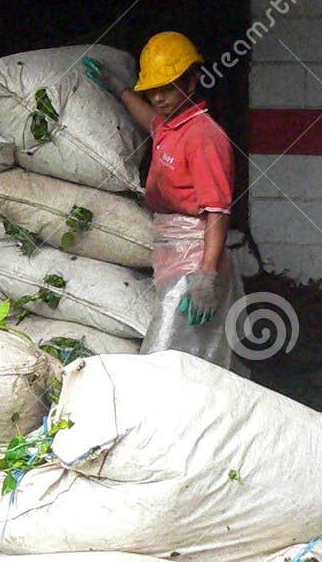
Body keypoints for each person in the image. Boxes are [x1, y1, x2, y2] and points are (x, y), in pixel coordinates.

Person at [84, 33, 244, 371]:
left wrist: (206, 276)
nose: (158, 97)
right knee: (183, 359)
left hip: (195, 261)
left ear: (192, 81)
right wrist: (120, 89)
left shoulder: (204, 136)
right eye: (152, 89)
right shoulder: (173, 126)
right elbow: (153, 123)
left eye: (168, 88)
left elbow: (217, 211)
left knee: (167, 357)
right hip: (172, 252)